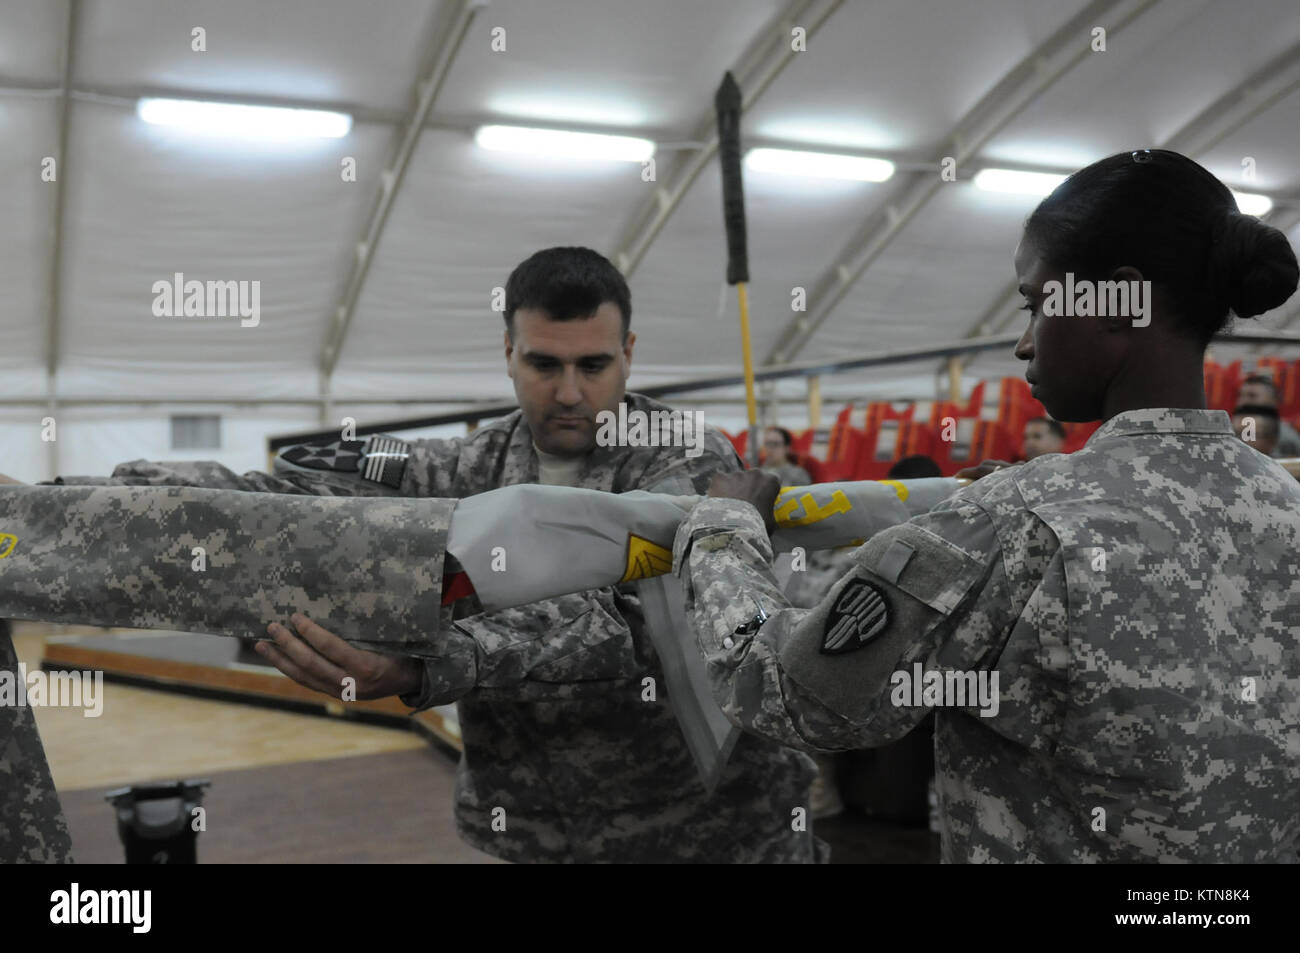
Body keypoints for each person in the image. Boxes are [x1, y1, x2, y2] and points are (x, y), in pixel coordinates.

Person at [47, 247, 818, 864]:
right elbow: (286, 498)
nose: (572, 392)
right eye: (544, 364)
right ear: (507, 351)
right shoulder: (462, 468)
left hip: (702, 831)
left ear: (630, 353)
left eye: (595, 365)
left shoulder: (683, 462)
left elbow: (631, 618)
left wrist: (426, 670)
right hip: (536, 830)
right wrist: (59, 500)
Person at [673, 149, 1300, 862]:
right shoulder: (1287, 504)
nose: (1023, 340)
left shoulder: (1014, 522)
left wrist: (726, 526)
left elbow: (785, 690)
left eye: (1038, 302)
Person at [1238, 373, 1300, 456]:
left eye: (1252, 396)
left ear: (1272, 400)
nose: (1243, 401)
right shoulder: (1230, 432)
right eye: (1240, 395)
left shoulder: (1287, 438)